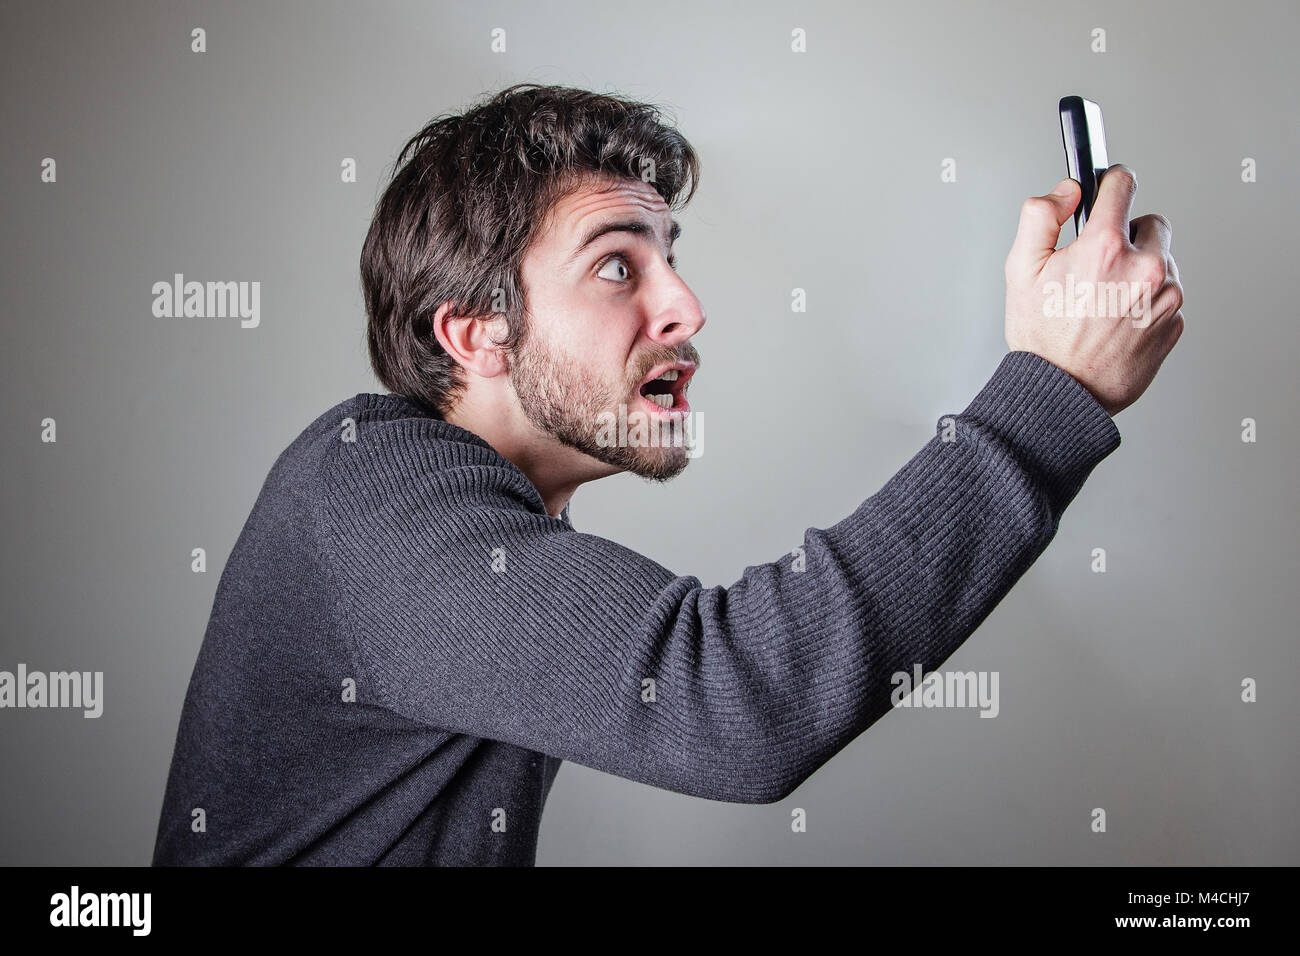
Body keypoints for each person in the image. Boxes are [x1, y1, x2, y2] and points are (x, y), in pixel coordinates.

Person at [152, 83, 1183, 866]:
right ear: (475, 334)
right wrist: (1052, 390)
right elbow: (729, 702)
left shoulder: (479, 525)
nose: (686, 305)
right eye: (618, 264)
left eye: (669, 255)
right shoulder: (365, 486)